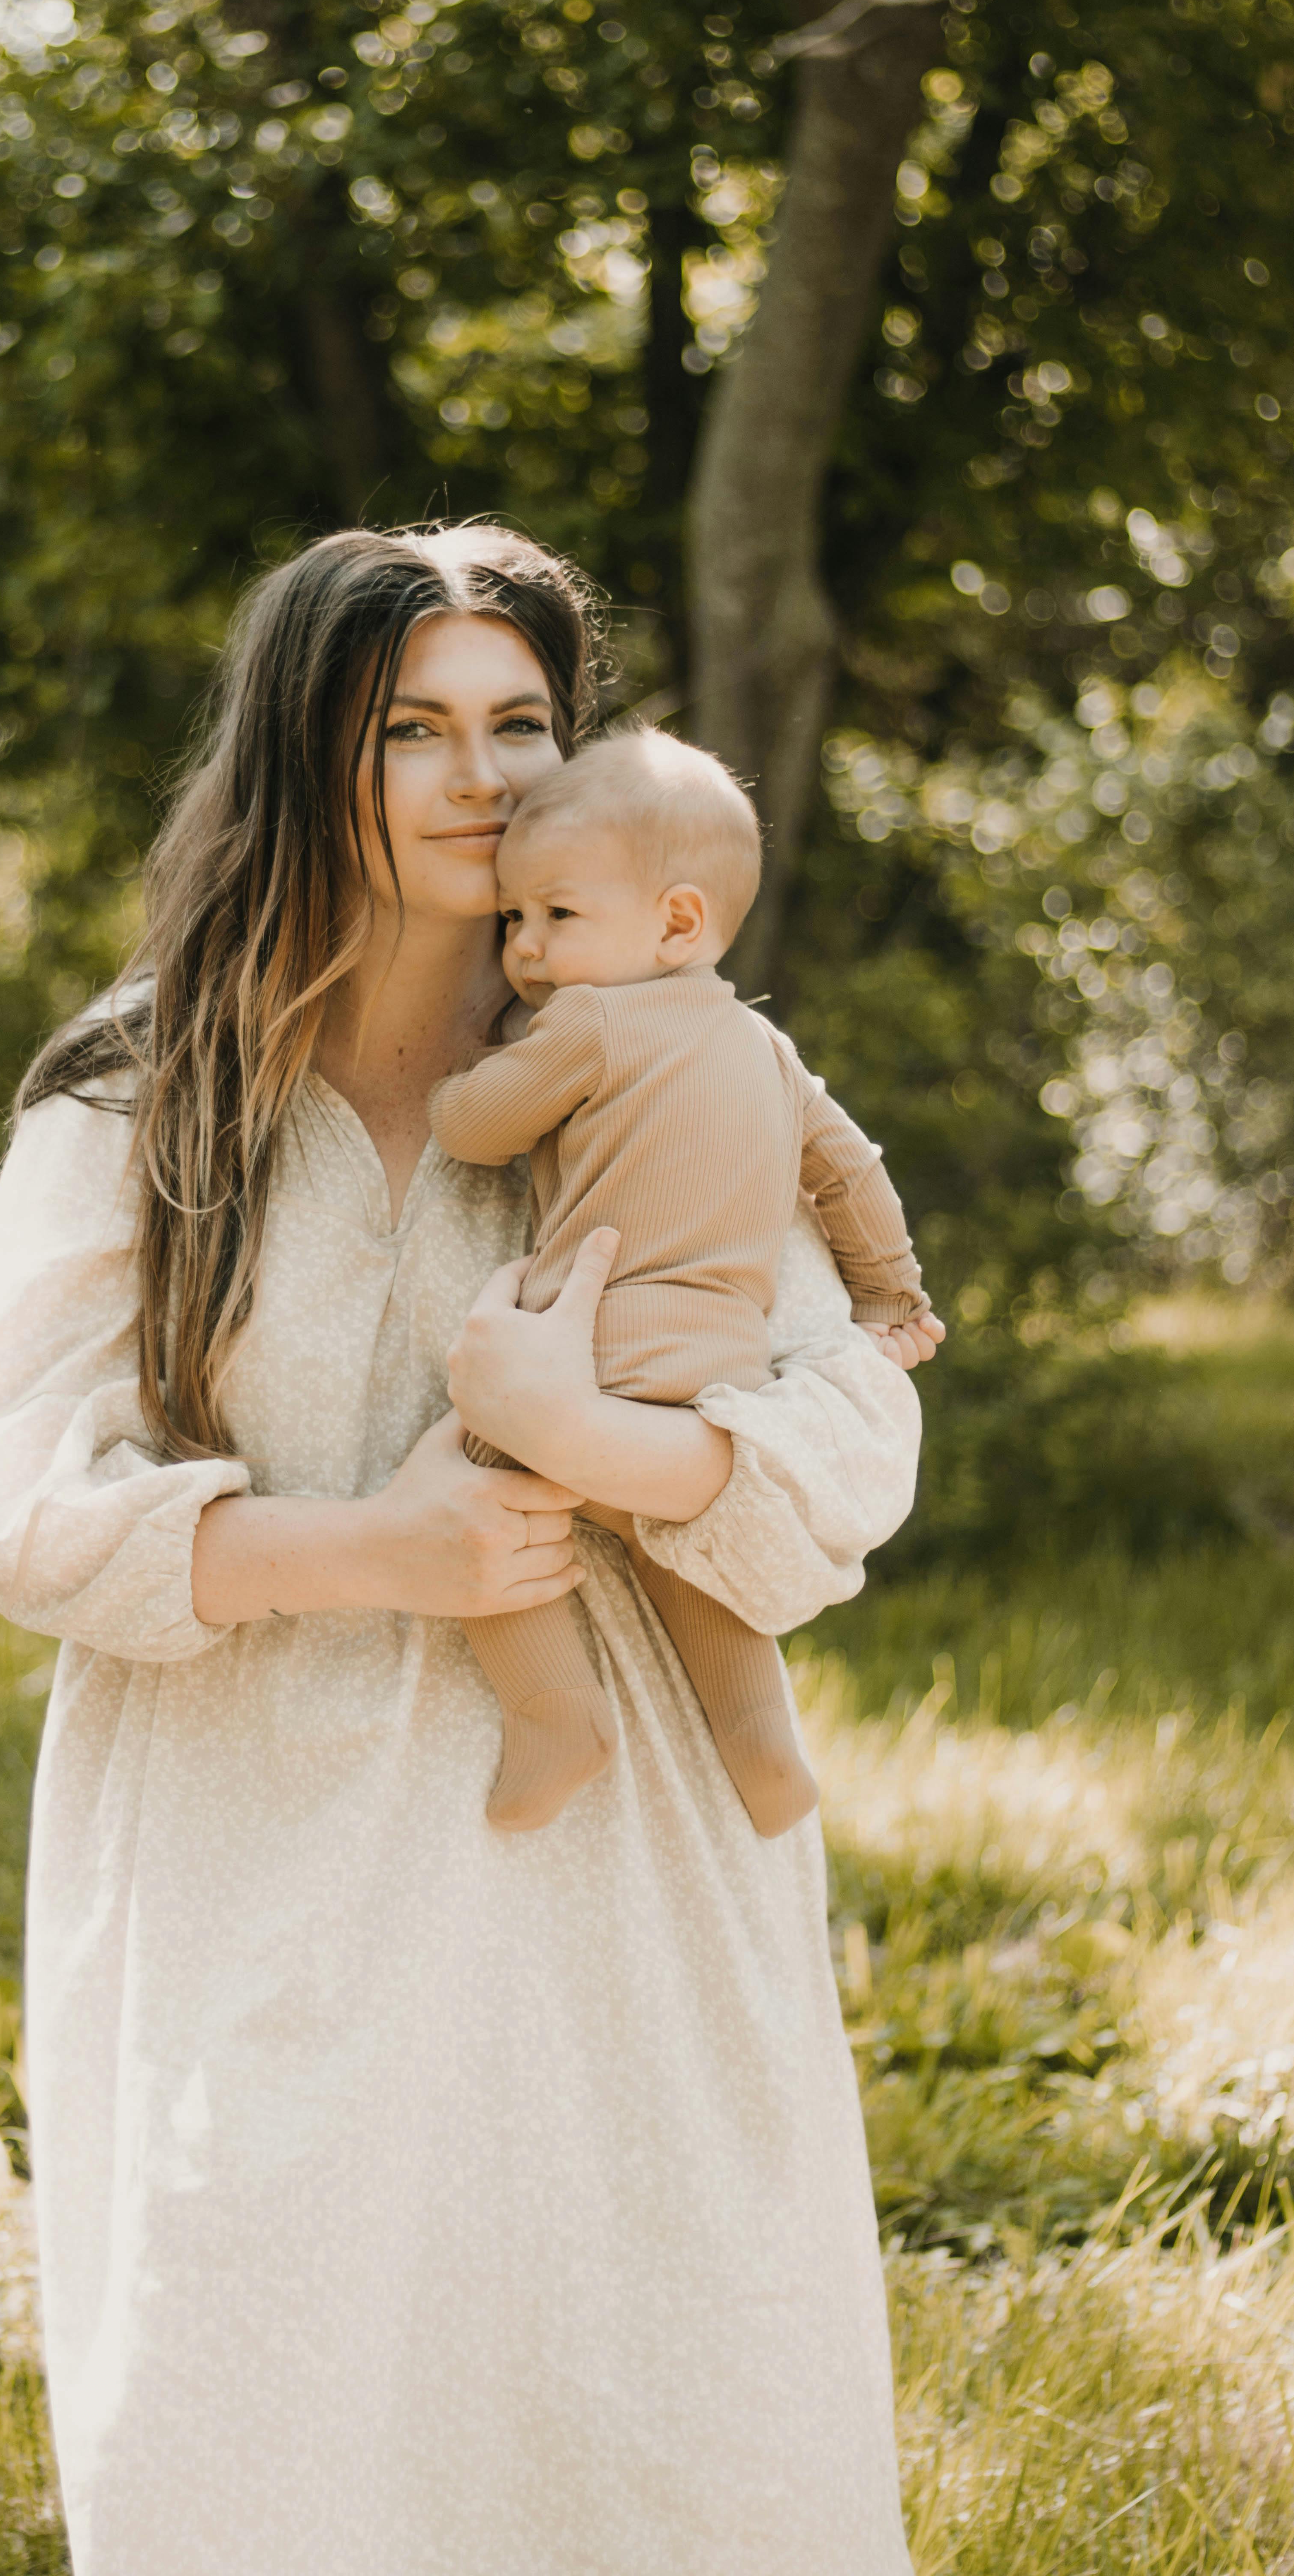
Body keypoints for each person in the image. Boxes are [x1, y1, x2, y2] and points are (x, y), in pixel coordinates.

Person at [0, 523, 922, 2576]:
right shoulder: (145, 1096)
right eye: (412, 729)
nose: (478, 777)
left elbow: (843, 1450)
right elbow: (19, 1501)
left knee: (667, 2422)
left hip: (611, 1887)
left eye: (522, 724)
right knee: (266, 2428)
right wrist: (378, 1548)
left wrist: (600, 1448)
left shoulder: (651, 1043)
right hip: (250, 1859)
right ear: (309, 752)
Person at [427, 723, 943, 1838]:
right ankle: (761, 1744)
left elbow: (474, 1131)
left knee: (488, 1479)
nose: (524, 948)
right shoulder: (766, 1050)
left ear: (676, 922)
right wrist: (891, 1295)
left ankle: (555, 1714)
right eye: (514, 919)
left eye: (556, 916)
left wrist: (465, 1074)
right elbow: (852, 1176)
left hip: (597, 1344)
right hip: (719, 1369)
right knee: (685, 1544)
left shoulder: (593, 1023)